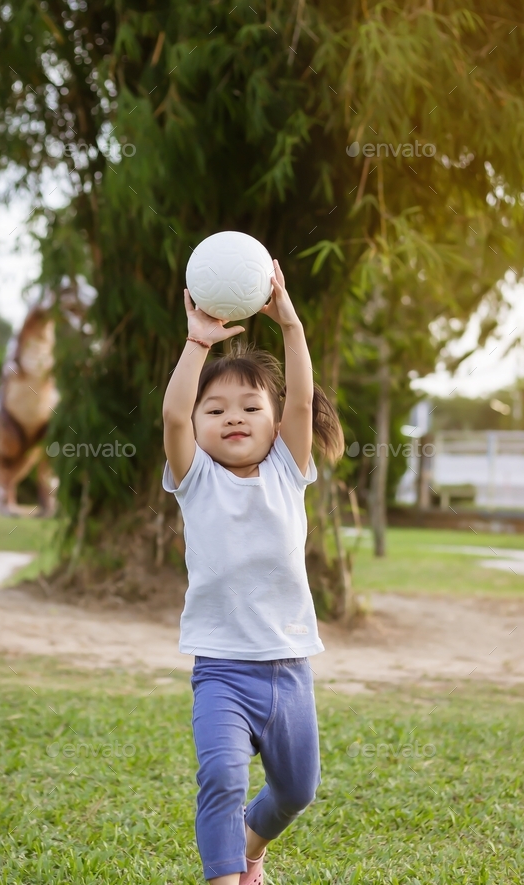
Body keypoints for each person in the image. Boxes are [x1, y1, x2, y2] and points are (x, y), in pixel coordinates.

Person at [162, 258, 344, 884]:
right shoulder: (195, 479)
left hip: (289, 666)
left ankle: (250, 845)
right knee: (220, 777)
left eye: (248, 407)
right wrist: (196, 341)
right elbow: (173, 416)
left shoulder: (287, 471)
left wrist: (289, 323)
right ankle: (222, 876)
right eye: (215, 411)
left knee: (297, 790)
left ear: (274, 424)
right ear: (199, 428)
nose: (232, 417)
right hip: (220, 667)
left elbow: (300, 396)